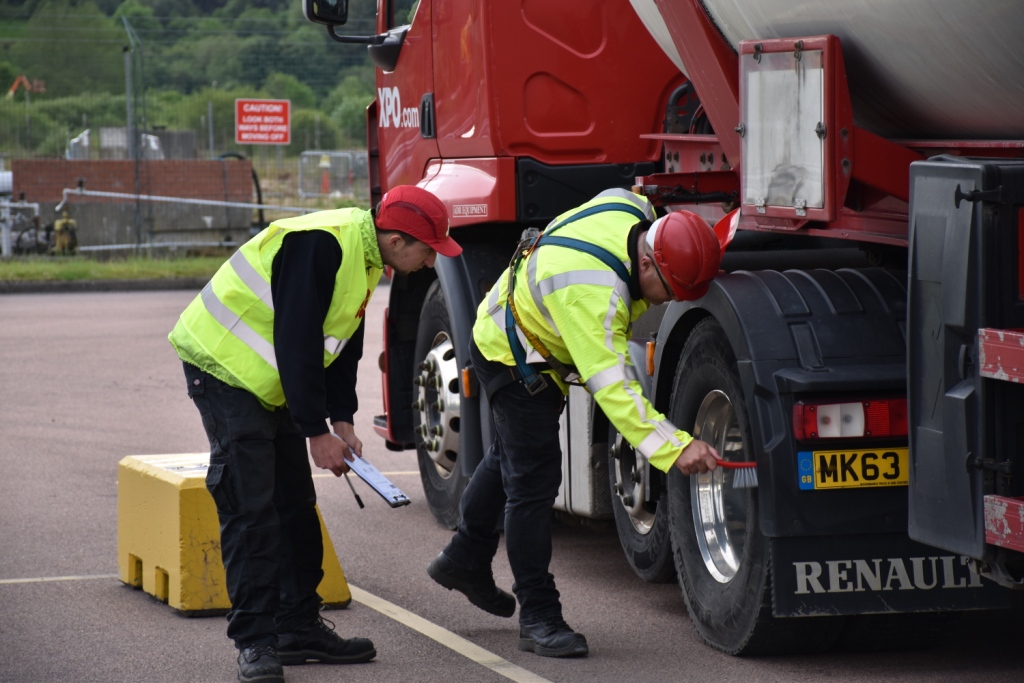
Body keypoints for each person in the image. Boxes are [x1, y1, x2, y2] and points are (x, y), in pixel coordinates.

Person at [169, 185, 462, 683]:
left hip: (271, 379)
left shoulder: (365, 256)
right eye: (427, 251)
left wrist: (341, 416)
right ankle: (256, 643)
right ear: (397, 242)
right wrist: (314, 432)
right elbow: (297, 338)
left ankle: (296, 627)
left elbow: (340, 341)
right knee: (252, 510)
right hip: (224, 370)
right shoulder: (321, 243)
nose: (431, 262)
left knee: (294, 509)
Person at [427, 189, 723, 658]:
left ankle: (463, 557)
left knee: (510, 457)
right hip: (515, 357)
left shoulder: (633, 209)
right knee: (534, 481)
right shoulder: (593, 294)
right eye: (668, 291)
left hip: (501, 323)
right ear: (647, 266)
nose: (666, 303)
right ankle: (539, 617)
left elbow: (632, 192)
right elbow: (616, 392)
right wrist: (676, 447)